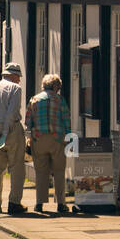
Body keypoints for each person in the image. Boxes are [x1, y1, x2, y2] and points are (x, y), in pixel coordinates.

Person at [0, 62, 27, 215]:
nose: (19, 80)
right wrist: (6, 132)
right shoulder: (15, 89)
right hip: (12, 129)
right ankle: (14, 203)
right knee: (17, 168)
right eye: (18, 77)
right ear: (13, 76)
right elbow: (12, 112)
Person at [26, 74, 72, 214]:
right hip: (57, 139)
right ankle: (61, 204)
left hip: (39, 139)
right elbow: (66, 120)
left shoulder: (34, 100)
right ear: (56, 86)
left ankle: (39, 203)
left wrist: (29, 138)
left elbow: (28, 122)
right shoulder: (59, 100)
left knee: (41, 171)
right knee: (59, 171)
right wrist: (69, 138)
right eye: (59, 86)